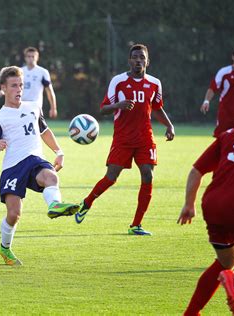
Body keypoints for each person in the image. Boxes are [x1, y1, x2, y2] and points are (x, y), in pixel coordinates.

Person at [178, 86, 234, 316]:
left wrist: (189, 204)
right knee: (231, 270)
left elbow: (197, 170)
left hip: (212, 203)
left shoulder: (231, 134)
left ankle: (191, 313)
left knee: (227, 258)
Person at [75, 44, 175, 236]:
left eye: (142, 57)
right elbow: (103, 109)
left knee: (148, 175)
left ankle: (136, 225)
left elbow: (156, 107)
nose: (138, 60)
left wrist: (169, 125)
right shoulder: (118, 82)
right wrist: (119, 105)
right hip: (123, 138)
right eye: (135, 57)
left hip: (145, 137)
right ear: (129, 60)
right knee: (111, 177)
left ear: (147, 61)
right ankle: (86, 203)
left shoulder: (155, 83)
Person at [0, 66, 79, 266]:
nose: (19, 89)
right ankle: (5, 248)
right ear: (3, 88)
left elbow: (44, 131)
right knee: (14, 214)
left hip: (35, 159)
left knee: (51, 177)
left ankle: (54, 205)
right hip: (13, 168)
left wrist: (59, 152)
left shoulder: (33, 107)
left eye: (21, 85)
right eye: (13, 86)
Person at [0, 47, 58, 118]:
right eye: (29, 56)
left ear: (37, 57)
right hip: (20, 106)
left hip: (35, 106)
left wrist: (53, 108)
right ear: (25, 58)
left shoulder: (42, 72)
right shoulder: (20, 71)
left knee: (36, 128)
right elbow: (13, 86)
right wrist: (3, 91)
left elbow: (49, 91)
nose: (31, 59)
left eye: (33, 56)